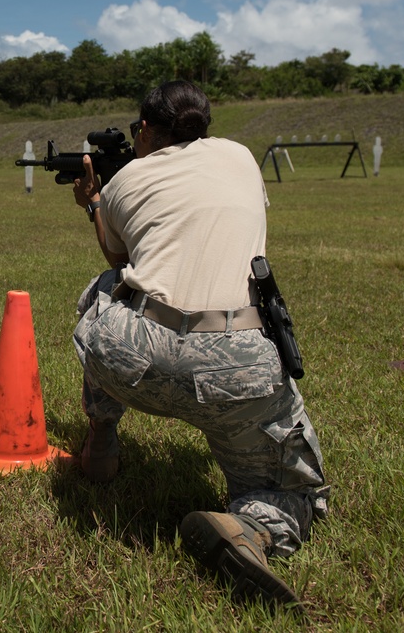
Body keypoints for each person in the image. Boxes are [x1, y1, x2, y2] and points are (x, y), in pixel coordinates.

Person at [70, 80, 329, 609]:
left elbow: (119, 258)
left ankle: (102, 439)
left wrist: (95, 202)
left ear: (144, 130)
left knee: (103, 289)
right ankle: (251, 530)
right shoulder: (240, 157)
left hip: (135, 358)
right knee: (295, 492)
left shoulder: (127, 181)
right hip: (237, 367)